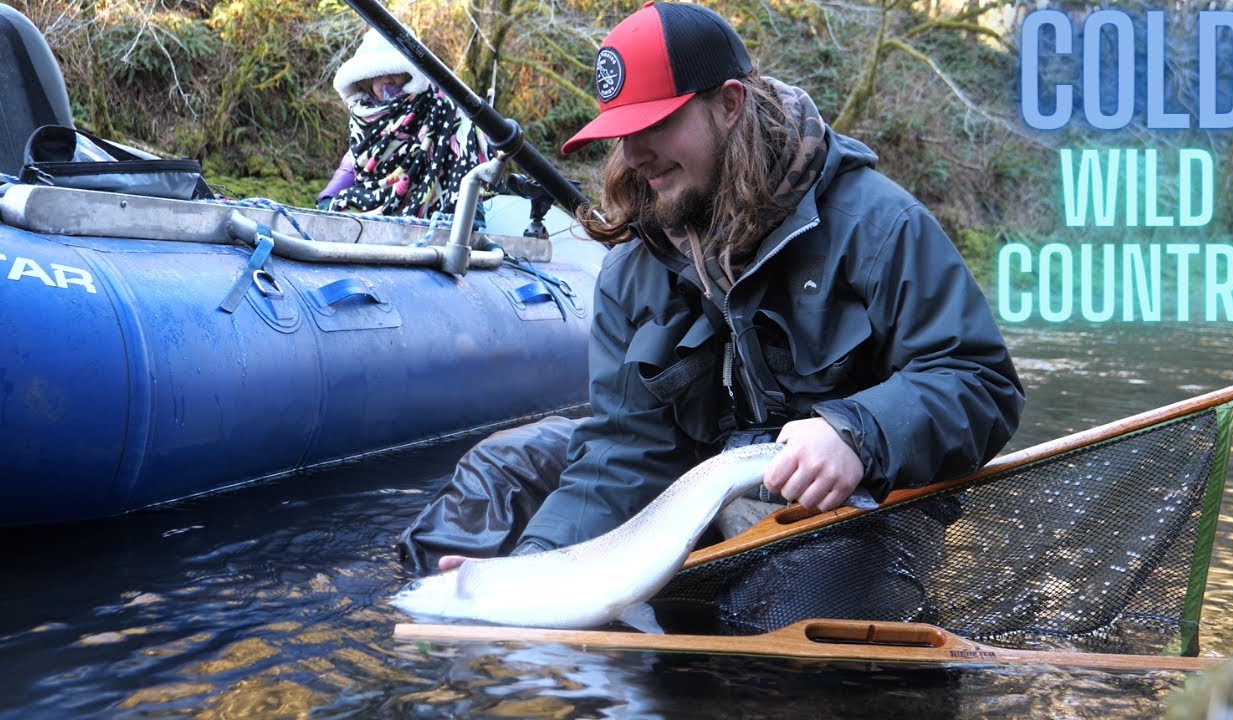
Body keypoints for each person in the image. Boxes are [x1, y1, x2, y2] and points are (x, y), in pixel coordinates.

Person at [397, 2, 1024, 627]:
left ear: (728, 105)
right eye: (621, 131)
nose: (634, 154)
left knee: (794, 613)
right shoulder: (633, 265)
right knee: (500, 470)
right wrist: (532, 572)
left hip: (852, 505)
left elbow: (981, 383)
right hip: (693, 487)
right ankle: (462, 648)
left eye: (655, 125)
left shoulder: (881, 227)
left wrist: (858, 433)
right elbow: (623, 447)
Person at [317, 29, 488, 220]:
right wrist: (329, 194)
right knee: (343, 201)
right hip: (377, 196)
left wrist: (471, 203)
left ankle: (466, 207)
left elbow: (461, 140)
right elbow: (355, 159)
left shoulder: (433, 104)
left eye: (396, 72)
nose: (389, 79)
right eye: (380, 73)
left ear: (409, 74)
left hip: (428, 199)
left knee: (459, 115)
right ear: (367, 78)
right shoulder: (363, 115)